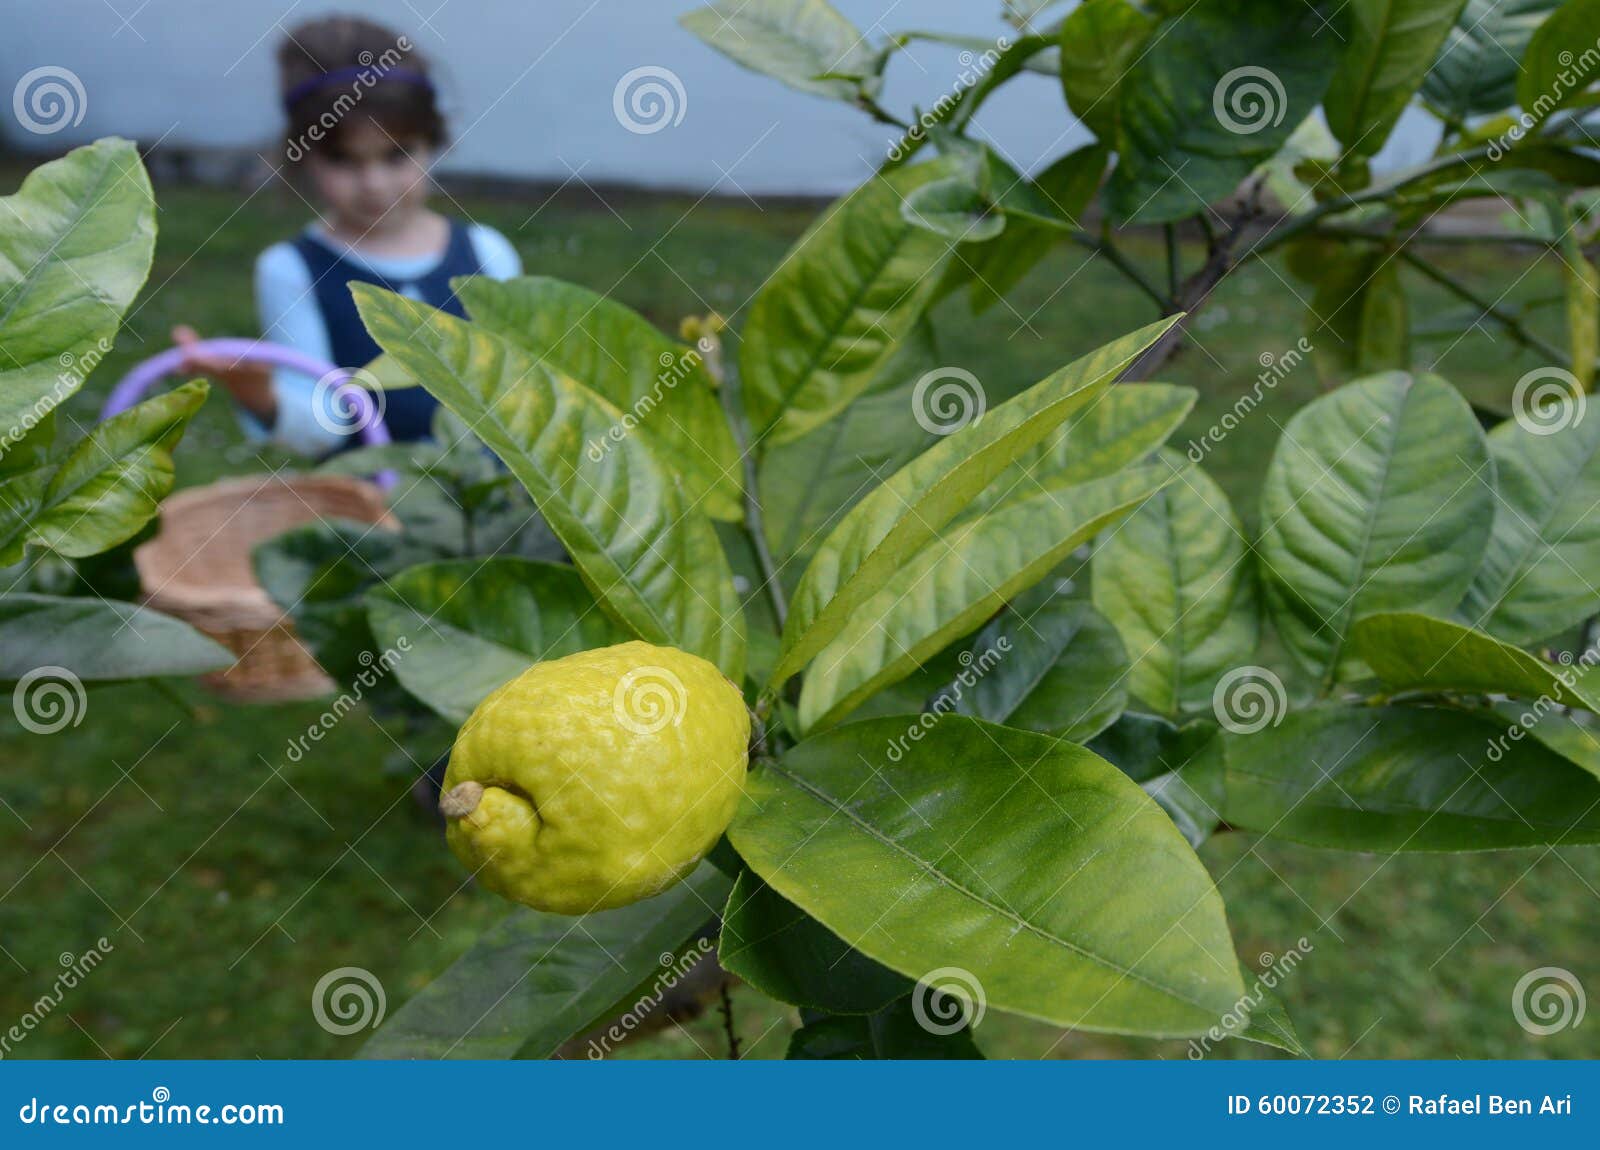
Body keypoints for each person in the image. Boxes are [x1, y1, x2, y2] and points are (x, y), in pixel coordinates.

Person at [174, 15, 521, 456]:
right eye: (343, 160)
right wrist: (262, 397)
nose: (374, 183)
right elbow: (325, 429)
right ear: (302, 154)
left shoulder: (488, 254)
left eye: (397, 155)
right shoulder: (293, 271)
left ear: (435, 142)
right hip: (370, 513)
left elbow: (517, 399)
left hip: (497, 511)